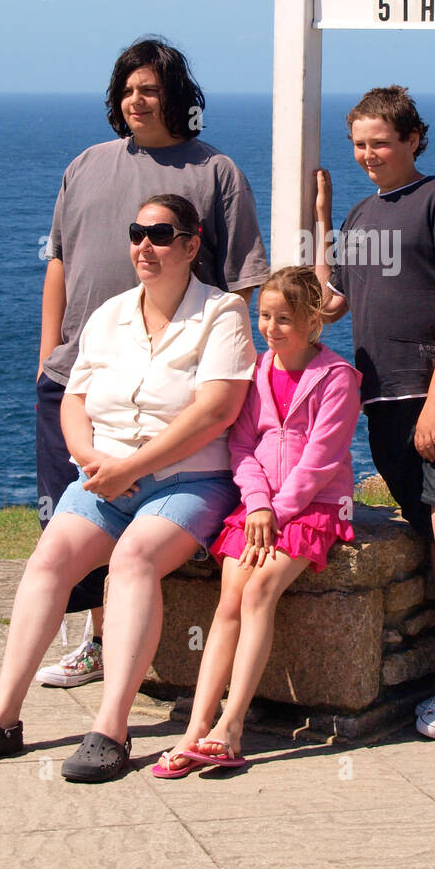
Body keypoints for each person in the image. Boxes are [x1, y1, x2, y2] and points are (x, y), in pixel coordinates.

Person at [0, 195, 256, 781]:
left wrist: (132, 467)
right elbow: (76, 401)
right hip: (106, 475)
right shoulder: (108, 314)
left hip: (187, 479)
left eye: (161, 235)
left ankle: (111, 728)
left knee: (134, 561)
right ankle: (3, 716)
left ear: (192, 245)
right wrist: (89, 459)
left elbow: (216, 411)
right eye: (137, 232)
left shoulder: (223, 313)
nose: (145, 245)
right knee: (50, 559)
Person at [36, 37, 268, 687]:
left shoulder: (214, 170)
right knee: (76, 515)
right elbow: (57, 258)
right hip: (77, 378)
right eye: (127, 89)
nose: (136, 100)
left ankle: (114, 649)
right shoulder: (85, 164)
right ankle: (96, 640)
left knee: (139, 522)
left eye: (149, 89)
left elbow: (243, 278)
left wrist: (221, 371)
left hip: (172, 384)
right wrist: (47, 351)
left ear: (176, 96)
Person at [314, 86, 435, 741]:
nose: (369, 154)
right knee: (424, 527)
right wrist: (318, 226)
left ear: (413, 139)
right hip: (381, 399)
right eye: (359, 144)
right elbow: (332, 303)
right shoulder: (360, 216)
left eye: (381, 142)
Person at [153, 268, 361, 775]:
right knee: (229, 601)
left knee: (260, 588)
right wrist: (259, 503)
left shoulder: (338, 378)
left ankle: (232, 727)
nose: (270, 327)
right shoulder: (258, 372)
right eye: (264, 315)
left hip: (312, 506)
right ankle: (195, 729)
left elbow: (322, 458)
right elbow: (242, 446)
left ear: (314, 321)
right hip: (260, 506)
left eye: (285, 318)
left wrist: (280, 509)